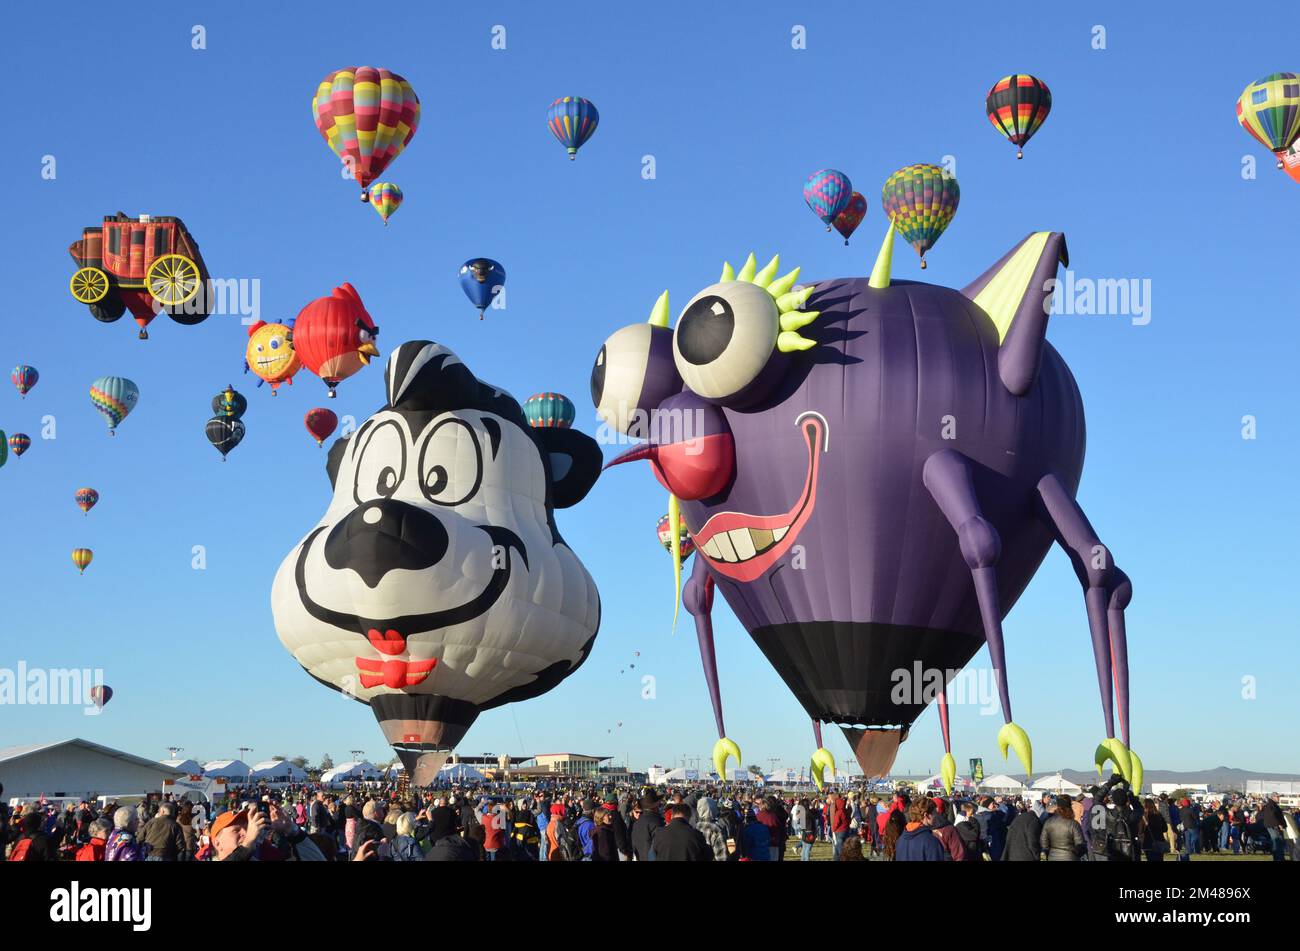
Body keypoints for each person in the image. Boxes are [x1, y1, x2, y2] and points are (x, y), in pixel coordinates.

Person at [1041, 795, 1085, 861]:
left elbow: (1044, 844)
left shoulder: (1048, 822)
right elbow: (1081, 846)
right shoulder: (1073, 824)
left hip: (1052, 857)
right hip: (1070, 857)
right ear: (1069, 807)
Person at [631, 793, 663, 861]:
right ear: (656, 806)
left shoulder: (637, 822)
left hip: (640, 857)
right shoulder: (656, 822)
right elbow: (660, 846)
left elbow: (634, 844)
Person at [1257, 793, 1287, 862]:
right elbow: (1272, 816)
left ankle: (1279, 857)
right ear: (1273, 797)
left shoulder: (1272, 804)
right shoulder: (1271, 805)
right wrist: (1279, 824)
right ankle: (1278, 858)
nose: (1279, 798)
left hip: (1273, 825)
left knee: (1278, 842)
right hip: (1274, 826)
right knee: (1277, 842)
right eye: (1278, 797)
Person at [1138, 798, 1168, 862]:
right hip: (1159, 841)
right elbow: (1165, 829)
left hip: (1148, 843)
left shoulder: (1145, 817)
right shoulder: (1159, 815)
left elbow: (1140, 831)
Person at [1177, 798, 1201, 862]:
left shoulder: (1181, 810)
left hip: (1185, 826)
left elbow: (1180, 818)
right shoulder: (1190, 810)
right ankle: (1193, 849)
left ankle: (1188, 851)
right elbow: (1195, 817)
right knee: (1195, 838)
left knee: (1187, 839)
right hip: (1192, 826)